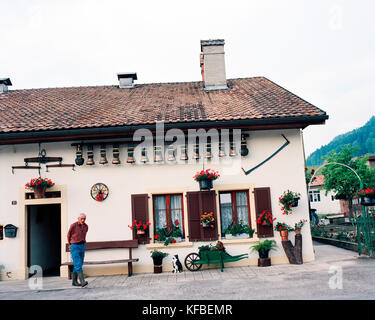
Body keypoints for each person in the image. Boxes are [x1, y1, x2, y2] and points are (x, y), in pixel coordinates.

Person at [67, 213, 89, 287]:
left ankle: (74, 281)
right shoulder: (73, 225)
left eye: (84, 219)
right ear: (78, 218)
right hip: (75, 246)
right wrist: (70, 244)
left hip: (82, 245)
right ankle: (82, 281)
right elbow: (68, 235)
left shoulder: (86, 226)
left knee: (80, 263)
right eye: (81, 219)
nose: (83, 220)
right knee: (78, 264)